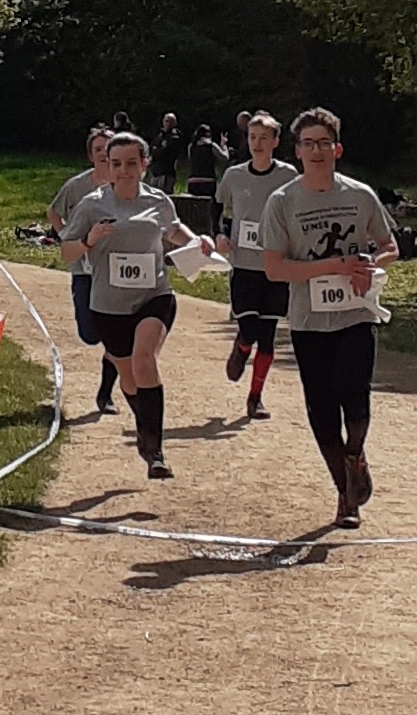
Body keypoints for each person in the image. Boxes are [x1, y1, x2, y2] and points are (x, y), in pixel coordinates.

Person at [261, 107, 398, 529]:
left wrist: (370, 264)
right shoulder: (282, 202)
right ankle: (345, 495)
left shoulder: (360, 195)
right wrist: (332, 266)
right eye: (309, 144)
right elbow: (274, 268)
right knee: (322, 410)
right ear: (297, 152)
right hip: (309, 321)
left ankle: (355, 455)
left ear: (337, 149)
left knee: (355, 400)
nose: (317, 151)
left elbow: (389, 246)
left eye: (324, 143)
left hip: (356, 314)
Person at [62, 132, 208, 479]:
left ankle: (155, 451)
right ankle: (145, 425)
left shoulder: (158, 201)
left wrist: (197, 241)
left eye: (131, 163)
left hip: (153, 296)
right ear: (107, 167)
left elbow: (173, 231)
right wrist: (88, 241)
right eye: (116, 164)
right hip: (108, 306)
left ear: (144, 164)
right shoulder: (92, 205)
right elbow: (66, 251)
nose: (124, 170)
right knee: (129, 378)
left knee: (145, 360)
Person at [214, 111, 297, 420]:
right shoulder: (234, 175)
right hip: (244, 265)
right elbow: (217, 206)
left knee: (268, 335)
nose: (257, 143)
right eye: (252, 137)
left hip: (275, 267)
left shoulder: (288, 176)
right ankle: (241, 346)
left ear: (275, 141)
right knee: (249, 328)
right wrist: (219, 234)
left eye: (264, 138)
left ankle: (255, 397)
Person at [46, 126, 121, 414]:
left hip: (115, 271)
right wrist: (67, 237)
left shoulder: (125, 186)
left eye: (109, 148)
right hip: (83, 268)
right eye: (98, 149)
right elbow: (53, 212)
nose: (104, 154)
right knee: (89, 333)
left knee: (117, 334)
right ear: (91, 156)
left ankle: (106, 393)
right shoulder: (76, 187)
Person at [149, 113, 185, 193]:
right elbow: (152, 149)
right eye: (166, 121)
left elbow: (167, 152)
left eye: (170, 122)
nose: (168, 124)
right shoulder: (159, 136)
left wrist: (157, 151)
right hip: (155, 173)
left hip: (167, 173)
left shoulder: (175, 137)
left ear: (174, 123)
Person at [185, 123, 221, 198]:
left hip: (193, 179)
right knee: (208, 203)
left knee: (194, 203)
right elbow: (224, 157)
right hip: (208, 179)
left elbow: (190, 159)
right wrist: (224, 146)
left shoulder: (191, 146)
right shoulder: (211, 145)